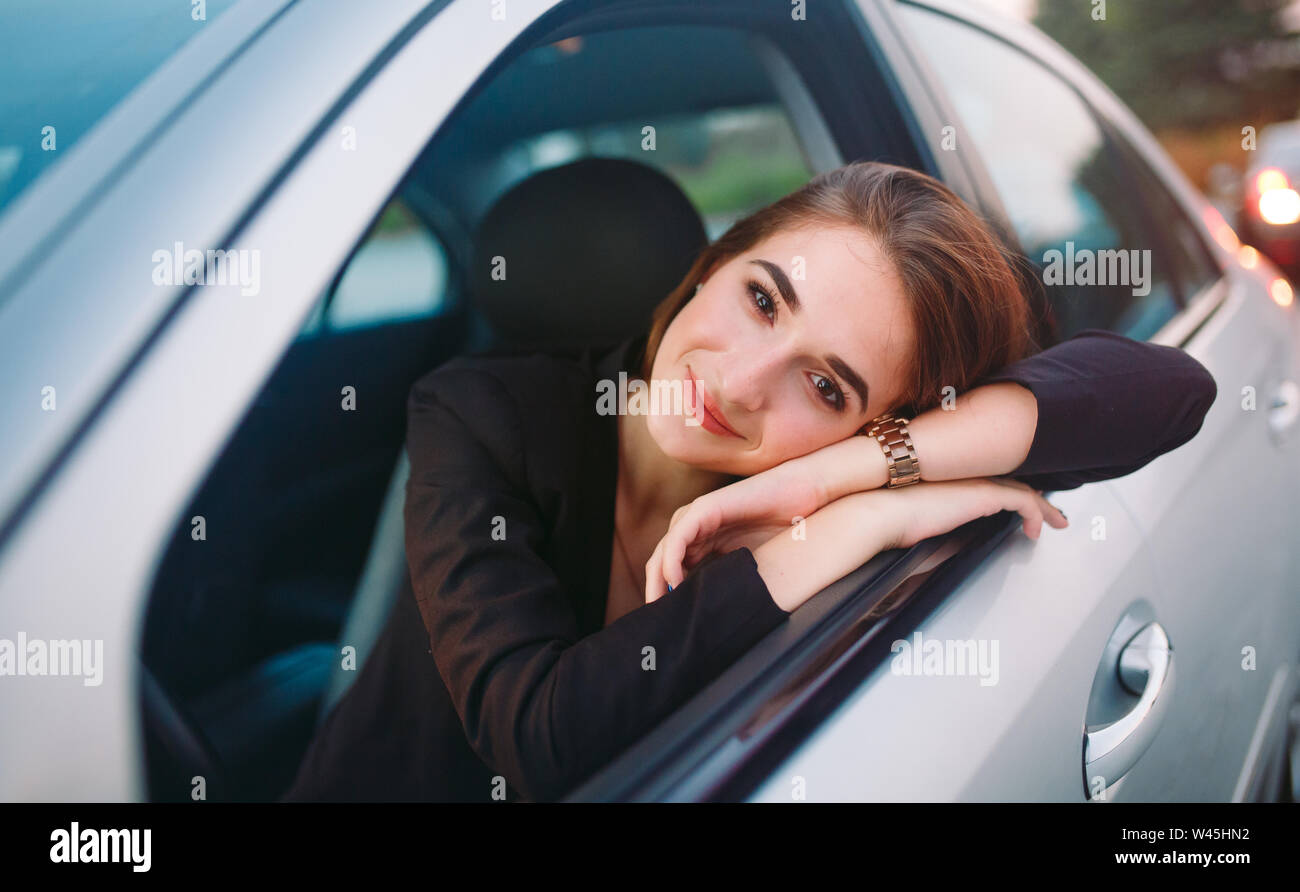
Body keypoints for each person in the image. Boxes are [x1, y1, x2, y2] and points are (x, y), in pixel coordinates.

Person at [281, 161, 1216, 802]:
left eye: (825, 385)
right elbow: (537, 738)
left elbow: (1172, 392)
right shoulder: (480, 413)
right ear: (712, 264)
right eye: (762, 298)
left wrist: (849, 481)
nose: (736, 382)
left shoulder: (842, 473)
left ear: (883, 416)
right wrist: (837, 536)